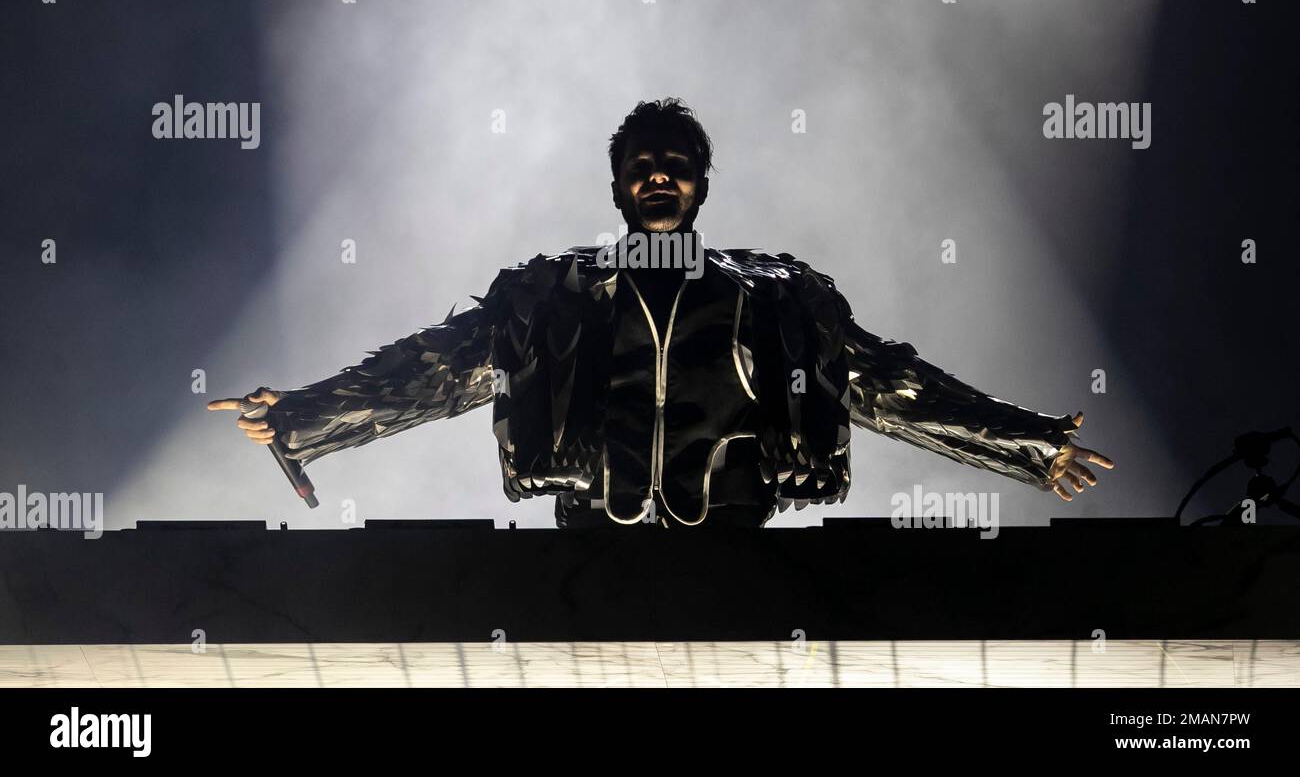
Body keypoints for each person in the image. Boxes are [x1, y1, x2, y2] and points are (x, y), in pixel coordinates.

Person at [210, 98, 1114, 527]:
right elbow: (438, 369)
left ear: (701, 181)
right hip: (590, 553)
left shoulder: (775, 295)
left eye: (674, 162)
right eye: (641, 162)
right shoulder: (553, 294)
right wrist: (300, 415)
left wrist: (1027, 444)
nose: (656, 175)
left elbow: (884, 385)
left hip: (737, 553)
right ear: (616, 183)